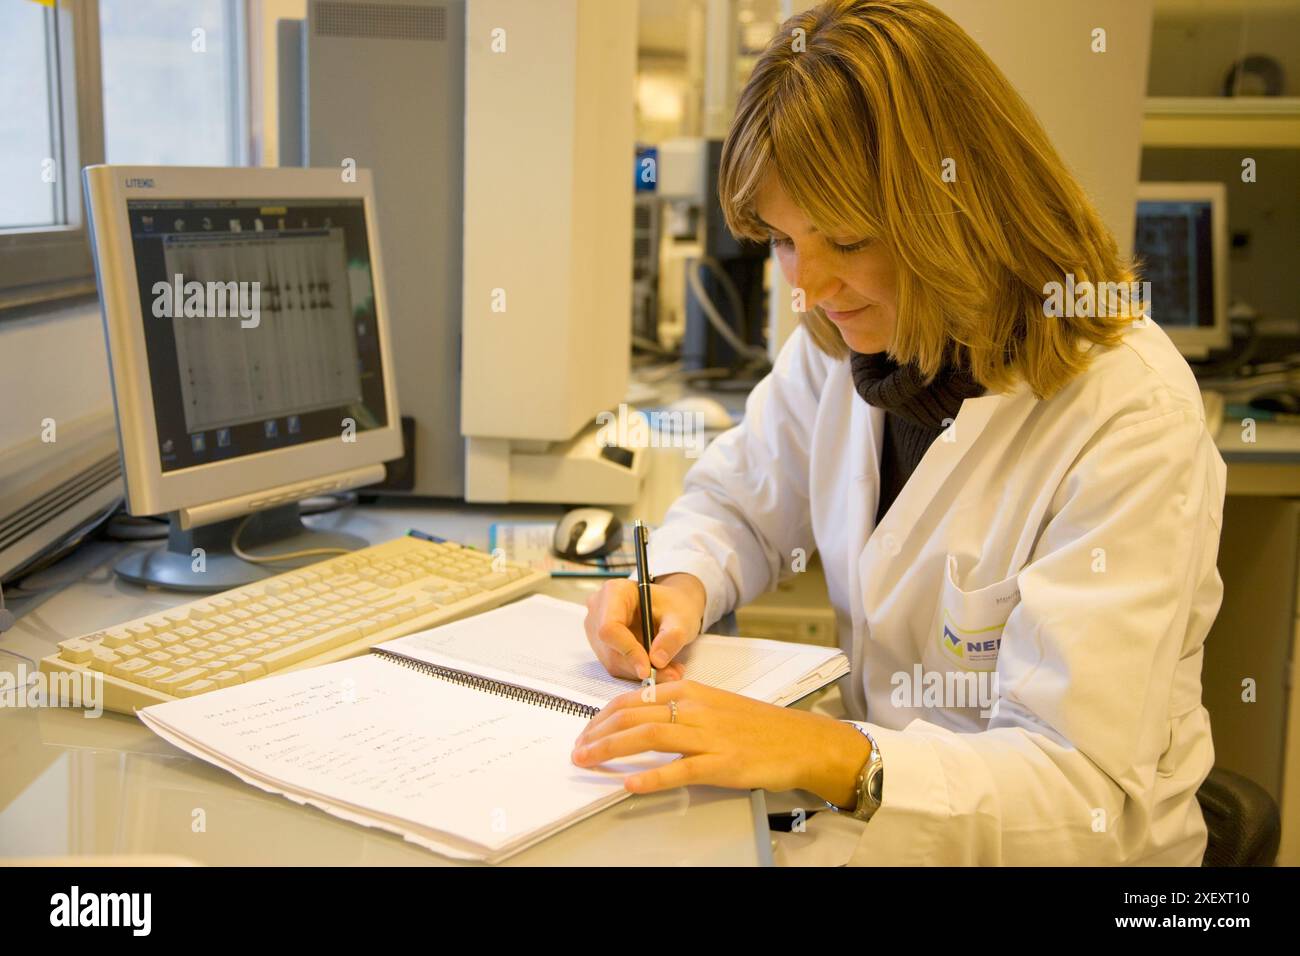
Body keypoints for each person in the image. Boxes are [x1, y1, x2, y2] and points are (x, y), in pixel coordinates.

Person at [573, 0, 1225, 865]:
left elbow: (1083, 795)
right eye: (781, 241)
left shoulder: (1126, 415)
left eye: (846, 238)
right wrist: (683, 584)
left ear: (959, 209)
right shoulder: (846, 343)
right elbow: (739, 502)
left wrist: (823, 752)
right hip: (888, 832)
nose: (810, 283)